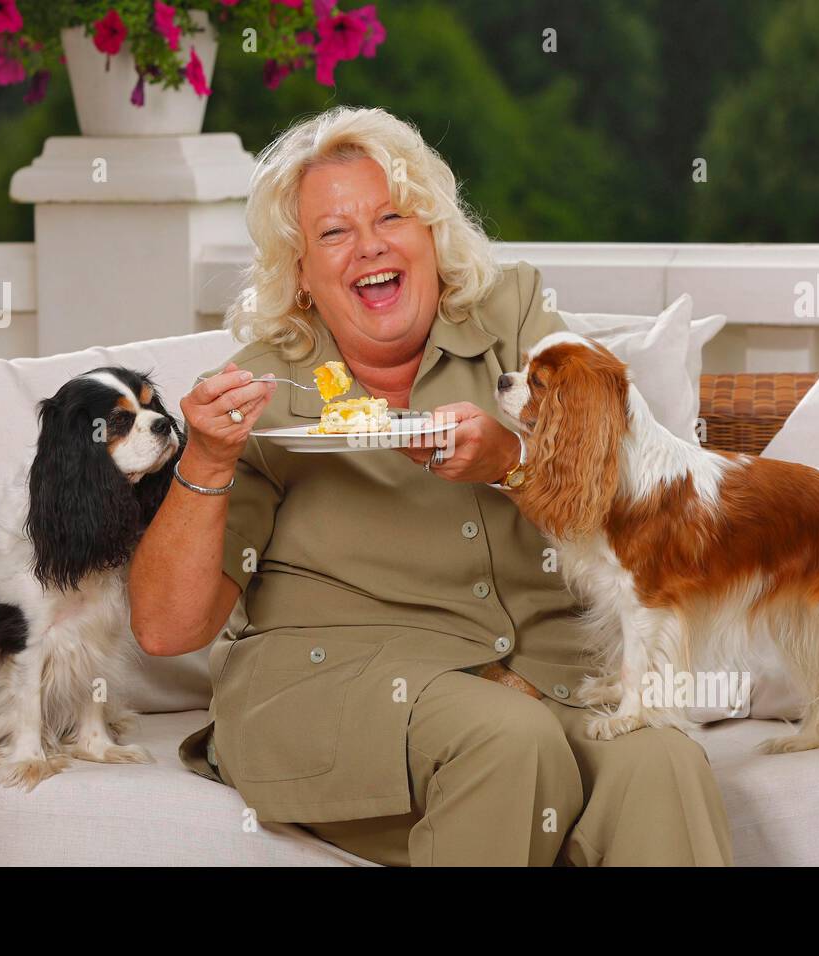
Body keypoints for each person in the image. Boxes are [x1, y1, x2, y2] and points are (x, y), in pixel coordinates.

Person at [128, 105, 732, 866]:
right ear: (302, 275)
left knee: (660, 762)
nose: (369, 245)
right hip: (337, 691)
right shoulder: (263, 386)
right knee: (508, 743)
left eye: (392, 216)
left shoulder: (511, 313)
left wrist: (510, 461)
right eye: (333, 233)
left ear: (434, 237)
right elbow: (166, 629)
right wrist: (206, 463)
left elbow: (610, 477)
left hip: (547, 681)